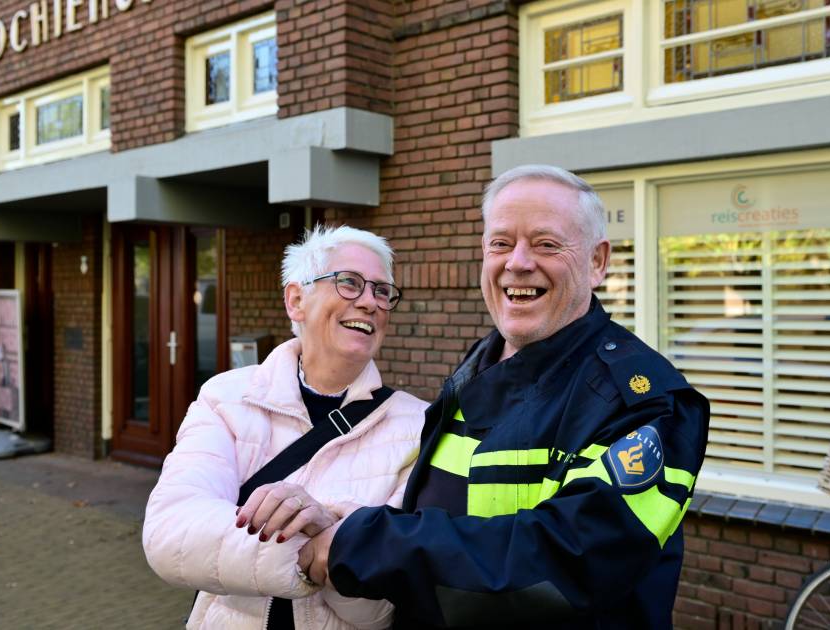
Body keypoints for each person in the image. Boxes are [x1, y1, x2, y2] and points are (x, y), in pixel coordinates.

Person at [257, 165, 711, 628]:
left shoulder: (647, 403)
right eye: (500, 243)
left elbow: (564, 566)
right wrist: (353, 521)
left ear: (597, 262)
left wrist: (365, 544)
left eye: (546, 244)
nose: (517, 262)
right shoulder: (481, 363)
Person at [143, 225, 427, 629]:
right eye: (349, 283)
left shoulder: (417, 425)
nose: (370, 302)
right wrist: (324, 547)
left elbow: (381, 608)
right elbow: (171, 535)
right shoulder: (226, 398)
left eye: (382, 291)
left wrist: (326, 530)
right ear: (296, 300)